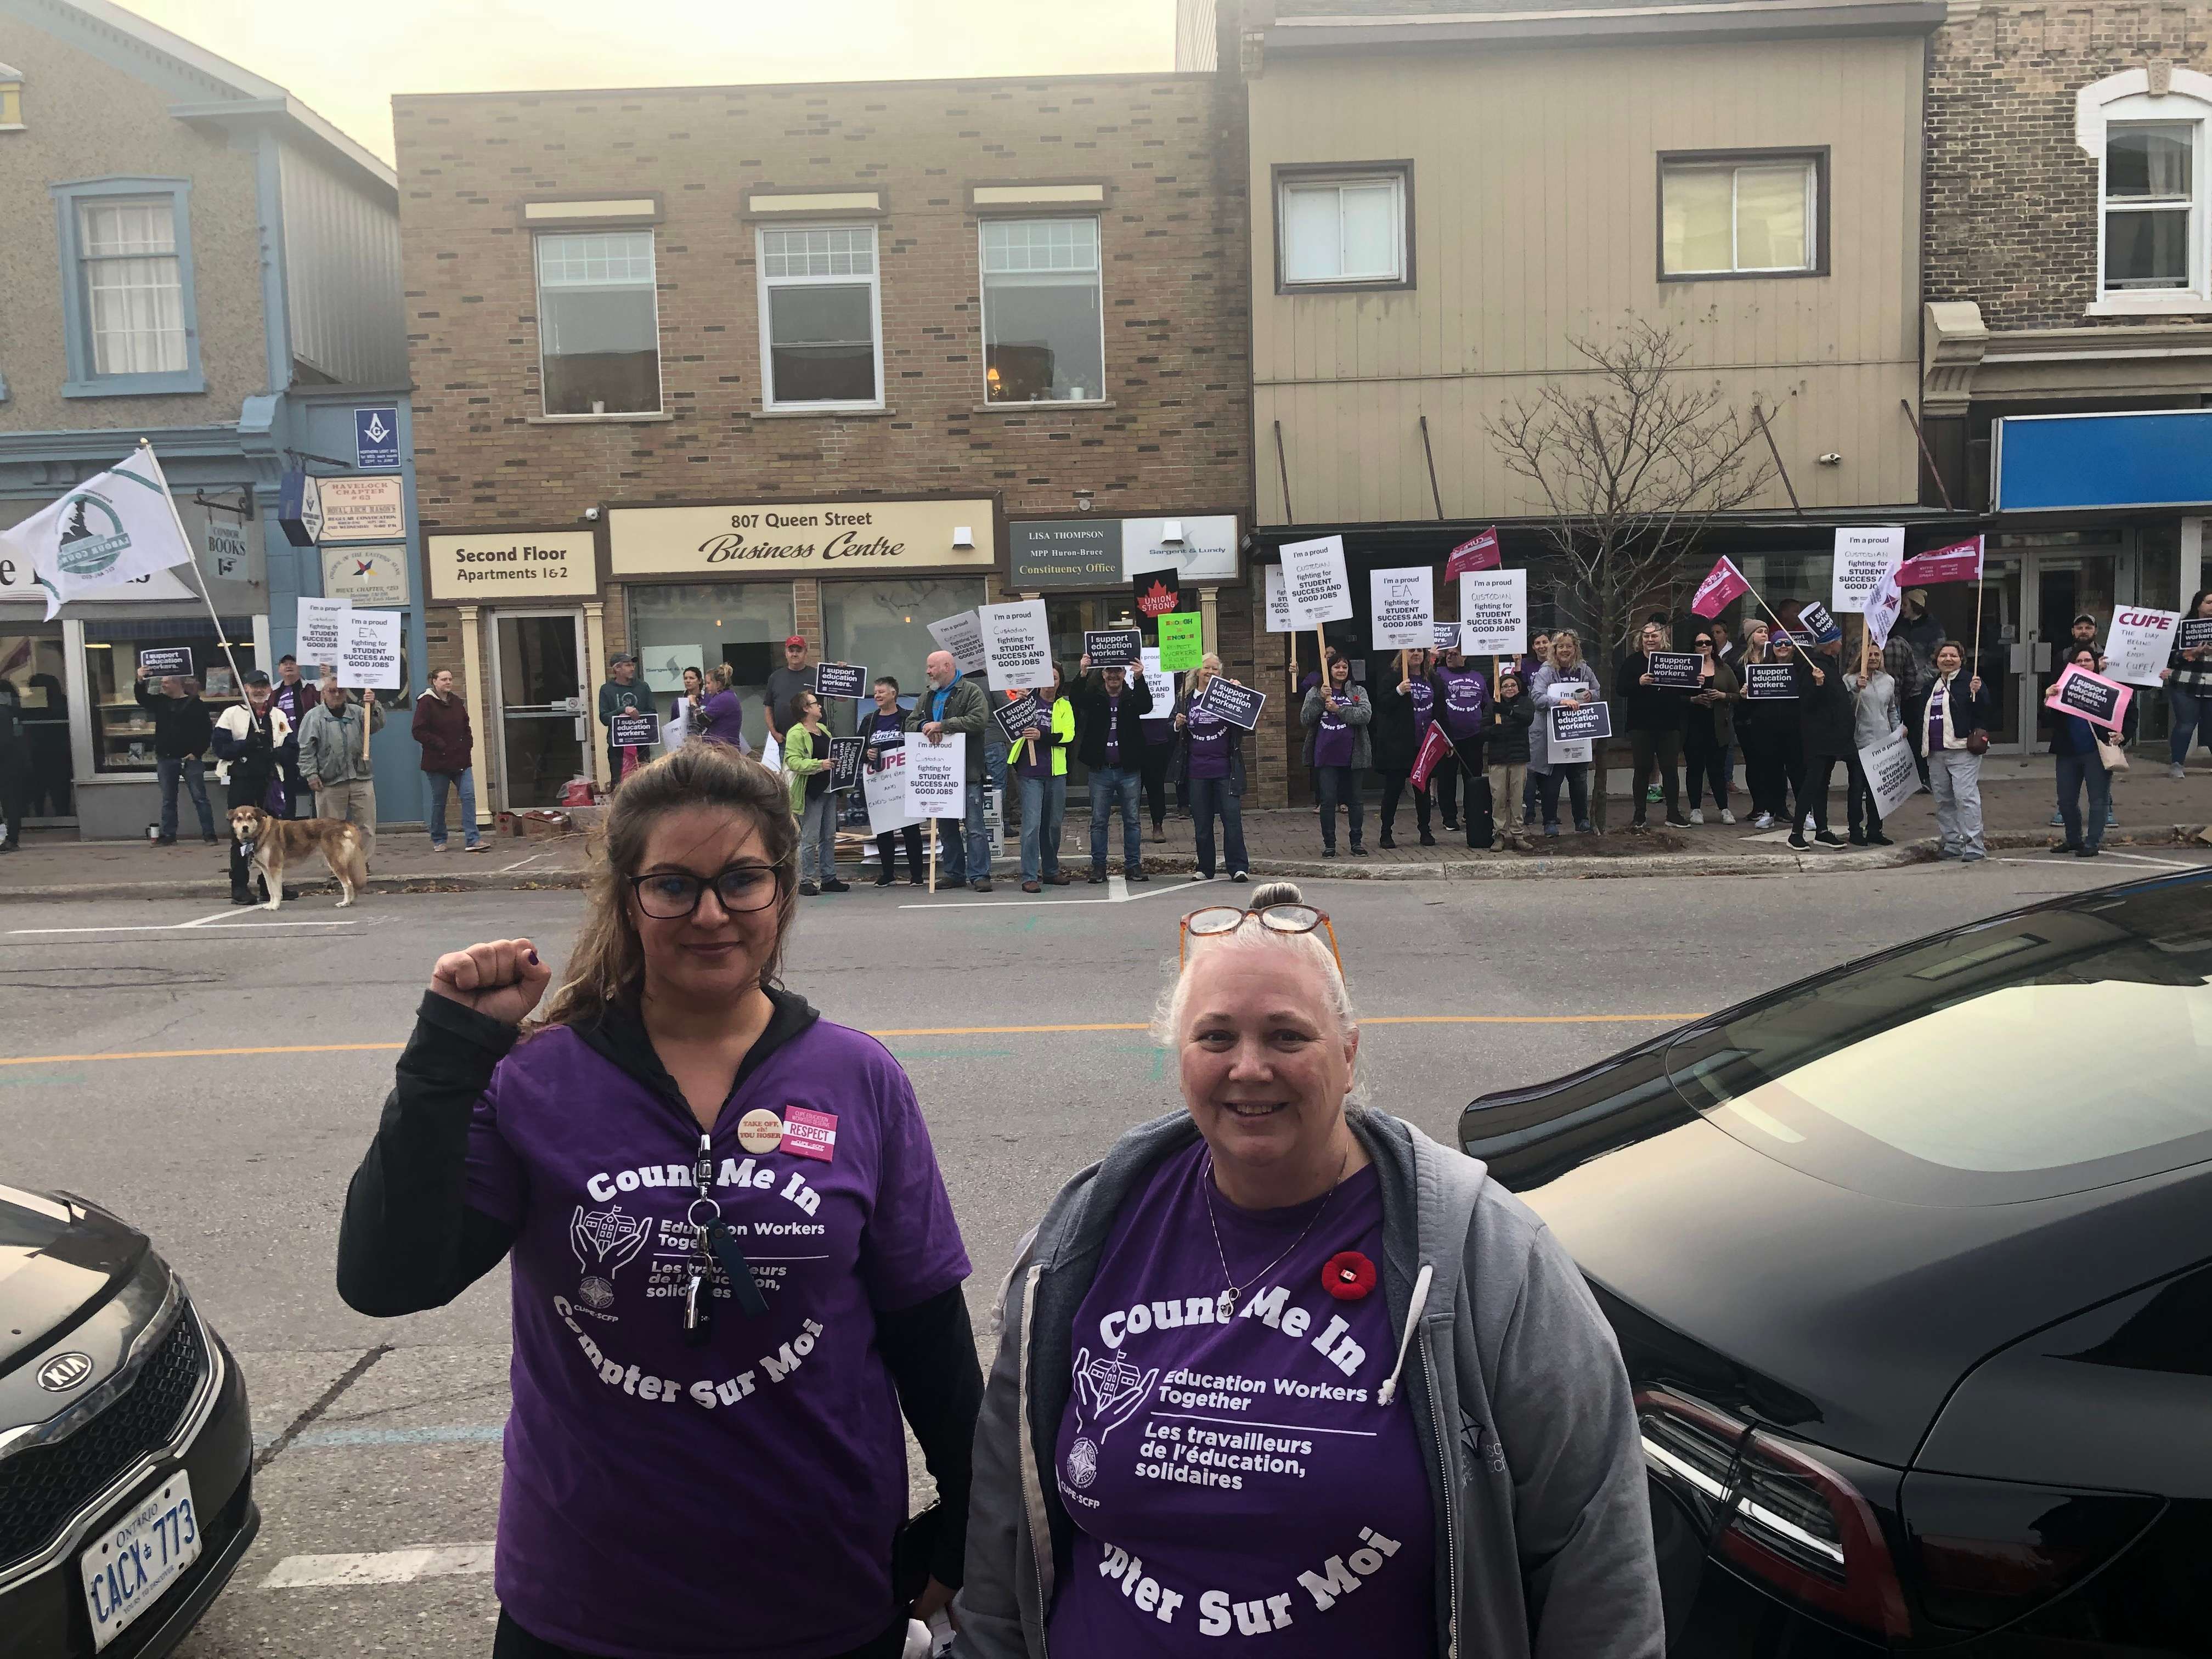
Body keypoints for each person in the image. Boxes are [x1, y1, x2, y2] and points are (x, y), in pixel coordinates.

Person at [335, 743, 981, 1659]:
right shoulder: (539, 1079)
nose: (711, 912)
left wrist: (968, 1519)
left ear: (782, 889)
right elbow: (387, 1279)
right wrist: (446, 1056)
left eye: (741, 880)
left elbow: (927, 1330)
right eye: (674, 884)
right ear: (628, 898)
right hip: (587, 1601)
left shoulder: (856, 1076)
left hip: (819, 1593)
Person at [955, 883, 1664, 1659]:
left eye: (1288, 1037)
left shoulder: (1490, 1260)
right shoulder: (1087, 1234)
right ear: (1179, 1054)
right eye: (1216, 1037)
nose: (1249, 1068)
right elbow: (1003, 1537)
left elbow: (1598, 1566)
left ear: (1350, 1053)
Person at [908, 650, 993, 891]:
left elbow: (978, 720)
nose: (928, 671)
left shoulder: (971, 691)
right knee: (946, 828)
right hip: (939, 773)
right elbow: (910, 723)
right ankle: (955, 873)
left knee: (975, 826)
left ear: (947, 666)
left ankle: (980, 875)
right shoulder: (927, 696)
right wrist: (925, 725)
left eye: (931, 667)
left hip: (968, 771)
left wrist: (943, 726)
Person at [211, 672, 293, 905]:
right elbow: (220, 748)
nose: (259, 691)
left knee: (275, 836)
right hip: (242, 782)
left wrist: (274, 753)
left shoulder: (278, 715)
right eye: (254, 686)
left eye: (263, 686)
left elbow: (291, 749)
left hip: (270, 782)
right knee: (242, 836)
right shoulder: (231, 715)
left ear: (269, 688)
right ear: (246, 688)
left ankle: (271, 885)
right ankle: (239, 886)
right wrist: (247, 745)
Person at [1071, 654, 1155, 883]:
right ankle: (1099, 868)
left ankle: (1133, 866)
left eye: (1119, 671)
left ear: (1124, 674)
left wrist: (1140, 677)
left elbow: (1147, 705)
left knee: (1133, 821)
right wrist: (1082, 673)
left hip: (1128, 770)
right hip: (1101, 771)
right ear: (1104, 674)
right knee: (1099, 821)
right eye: (1110, 671)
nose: (1114, 675)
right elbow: (1076, 699)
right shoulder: (1095, 697)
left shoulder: (1131, 697)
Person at [2050, 644, 2134, 859]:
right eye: (2079, 661)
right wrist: (2048, 699)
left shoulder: (2110, 687)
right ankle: (2074, 839)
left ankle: (2092, 842)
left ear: (2096, 664)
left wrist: (2123, 735)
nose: (2083, 664)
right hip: (2068, 752)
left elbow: (2131, 714)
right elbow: (2049, 720)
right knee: (2066, 801)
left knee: (2098, 800)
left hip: (2097, 752)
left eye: (2087, 661)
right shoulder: (2063, 686)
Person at [1174, 653, 1248, 882]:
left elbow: (1247, 723)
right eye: (1207, 668)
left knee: (1232, 820)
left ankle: (1237, 867)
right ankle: (1205, 867)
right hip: (1197, 770)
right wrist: (1177, 724)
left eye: (1216, 669)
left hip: (1225, 769)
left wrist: (1240, 695)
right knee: (1202, 823)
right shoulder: (1186, 699)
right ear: (1197, 671)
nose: (1211, 672)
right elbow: (1172, 727)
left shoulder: (1228, 696)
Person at [1914, 640, 1989, 862]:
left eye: (1953, 655)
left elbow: (1985, 710)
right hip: (1935, 751)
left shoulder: (1971, 681)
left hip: (1962, 750)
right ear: (1936, 660)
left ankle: (1975, 845)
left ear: (1961, 659)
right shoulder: (1931, 685)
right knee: (1944, 800)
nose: (1948, 659)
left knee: (1966, 798)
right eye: (1943, 655)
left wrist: (1980, 692)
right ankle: (1952, 843)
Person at [135, 665, 217, 845]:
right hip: (166, 758)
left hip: (190, 759)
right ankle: (169, 835)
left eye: (166, 683)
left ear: (177, 683)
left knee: (200, 797)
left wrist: (197, 752)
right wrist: (140, 680)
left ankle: (209, 833)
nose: (163, 686)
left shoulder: (196, 704)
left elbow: (206, 731)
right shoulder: (160, 702)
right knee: (168, 799)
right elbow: (142, 699)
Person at [1529, 631, 1601, 836]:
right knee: (1552, 781)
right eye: (1561, 646)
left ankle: (1582, 820)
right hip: (1552, 737)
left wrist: (1591, 695)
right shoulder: (1546, 672)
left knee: (1579, 780)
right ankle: (1550, 822)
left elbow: (1598, 691)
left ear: (1576, 649)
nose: (1565, 650)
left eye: (1569, 646)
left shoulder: (1585, 670)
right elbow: (1537, 698)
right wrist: (1560, 701)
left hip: (1578, 734)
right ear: (1554, 650)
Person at [1302, 653, 1372, 857]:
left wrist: (1339, 709)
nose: (1341, 671)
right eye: (1336, 667)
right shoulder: (1317, 692)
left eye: (1344, 667)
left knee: (1356, 800)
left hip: (1353, 755)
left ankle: (1356, 842)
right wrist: (1319, 699)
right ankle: (1329, 844)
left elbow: (1365, 715)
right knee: (1328, 800)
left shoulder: (1358, 691)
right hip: (1326, 756)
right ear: (1329, 670)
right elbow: (1305, 718)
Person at [1619, 622, 1687, 830]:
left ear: (1663, 639)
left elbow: (1687, 690)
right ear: (1641, 640)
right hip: (1641, 724)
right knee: (1642, 769)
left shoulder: (1674, 661)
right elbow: (1621, 689)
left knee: (1670, 769)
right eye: (1646, 636)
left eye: (1654, 636)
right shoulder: (1632, 662)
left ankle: (1673, 813)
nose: (1650, 640)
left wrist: (1697, 681)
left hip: (1669, 724)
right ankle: (1639, 815)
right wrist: (1638, 683)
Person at [1013, 663, 1074, 893]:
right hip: (1030, 773)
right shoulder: (1026, 701)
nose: (1051, 683)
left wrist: (1042, 736)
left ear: (1060, 682)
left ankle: (1050, 870)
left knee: (1053, 825)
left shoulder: (1064, 705)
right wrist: (1018, 704)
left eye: (1056, 678)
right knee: (1032, 825)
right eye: (1047, 678)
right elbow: (1010, 727)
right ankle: (1029, 875)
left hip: (1056, 773)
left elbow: (1068, 736)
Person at [1788, 634, 1853, 850]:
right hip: (1818, 736)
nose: (1842, 644)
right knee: (1812, 783)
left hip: (1832, 736)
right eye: (1839, 640)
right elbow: (1807, 703)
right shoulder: (1812, 667)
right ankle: (1796, 832)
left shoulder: (1830, 665)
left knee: (1823, 783)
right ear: (1830, 644)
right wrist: (1817, 684)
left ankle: (1822, 830)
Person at [861, 676, 927, 888]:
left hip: (904, 780)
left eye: (882, 692)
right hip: (878, 781)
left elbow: (919, 744)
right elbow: (858, 748)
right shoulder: (869, 720)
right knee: (884, 829)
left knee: (911, 829)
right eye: (876, 692)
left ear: (894, 694)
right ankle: (887, 874)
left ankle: (917, 875)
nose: (877, 696)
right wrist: (866, 754)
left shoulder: (907, 718)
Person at [298, 680, 384, 836]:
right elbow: (306, 750)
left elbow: (377, 726)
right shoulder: (313, 717)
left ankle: (362, 861)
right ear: (323, 693)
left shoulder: (358, 712)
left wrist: (373, 706)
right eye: (332, 691)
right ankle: (333, 861)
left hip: (361, 778)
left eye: (341, 690)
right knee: (330, 830)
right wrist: (311, 774)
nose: (337, 694)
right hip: (330, 781)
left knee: (366, 828)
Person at [782, 690, 846, 896]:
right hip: (811, 791)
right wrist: (820, 764)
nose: (820, 706)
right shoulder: (796, 733)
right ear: (806, 709)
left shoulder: (823, 730)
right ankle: (805, 879)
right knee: (809, 837)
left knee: (828, 835)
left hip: (828, 789)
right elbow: (793, 761)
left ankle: (829, 877)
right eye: (815, 703)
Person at [1373, 648, 1439, 849]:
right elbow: (1382, 705)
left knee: (1422, 789)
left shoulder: (1432, 679)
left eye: (1420, 651)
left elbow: (1441, 708)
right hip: (1398, 744)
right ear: (1403, 654)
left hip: (1424, 743)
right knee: (1393, 790)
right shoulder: (1393, 678)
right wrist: (1398, 691)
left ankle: (1425, 831)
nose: (1416, 654)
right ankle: (1386, 832)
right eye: (1412, 651)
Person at [414, 669, 483, 853]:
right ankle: (439, 838)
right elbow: (418, 731)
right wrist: (439, 744)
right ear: (434, 682)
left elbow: (465, 725)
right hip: (438, 762)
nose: (448, 682)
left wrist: (468, 743)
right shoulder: (426, 703)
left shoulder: (457, 702)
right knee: (440, 801)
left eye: (450, 679)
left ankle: (473, 839)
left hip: (461, 759)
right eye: (444, 679)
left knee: (468, 797)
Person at [1680, 629, 1737, 826]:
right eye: (1699, 643)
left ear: (1713, 646)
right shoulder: (1687, 668)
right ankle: (1695, 809)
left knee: (1717, 770)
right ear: (1693, 648)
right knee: (1694, 769)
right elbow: (1675, 697)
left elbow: (1737, 695)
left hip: (1717, 726)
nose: (1704, 646)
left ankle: (1724, 809)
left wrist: (1722, 696)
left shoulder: (1724, 668)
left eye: (1708, 642)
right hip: (1694, 725)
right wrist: (1693, 699)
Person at [1844, 643, 1899, 847]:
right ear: (1862, 657)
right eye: (1870, 654)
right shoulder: (1849, 680)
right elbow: (1846, 710)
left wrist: (1896, 732)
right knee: (1857, 788)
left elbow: (1892, 709)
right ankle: (1855, 829)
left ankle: (1875, 829)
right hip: (1860, 741)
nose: (1874, 658)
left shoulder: (1889, 681)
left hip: (1883, 741)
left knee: (1879, 790)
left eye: (1878, 654)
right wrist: (1856, 688)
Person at [1430, 647, 1488, 836]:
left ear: (1465, 655)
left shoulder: (1478, 676)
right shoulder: (1439, 674)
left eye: (1454, 654)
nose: (1450, 657)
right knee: (1447, 778)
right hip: (1448, 736)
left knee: (1473, 776)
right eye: (1448, 654)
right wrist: (1432, 658)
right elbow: (1424, 680)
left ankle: (1472, 813)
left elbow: (1486, 703)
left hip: (1473, 735)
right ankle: (1449, 817)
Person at [2161, 587, 2212, 777]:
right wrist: (2191, 653)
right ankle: (2177, 764)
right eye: (2209, 602)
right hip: (2185, 683)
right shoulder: (2183, 628)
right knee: (2185, 724)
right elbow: (2169, 657)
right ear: (2198, 605)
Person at [1485, 667, 1534, 849]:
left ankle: (1518, 834)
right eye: (1505, 686)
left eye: (1513, 685)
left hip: (1518, 757)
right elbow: (1482, 730)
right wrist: (1492, 731)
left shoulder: (1525, 703)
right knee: (1499, 797)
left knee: (1517, 797)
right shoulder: (1492, 706)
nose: (1510, 688)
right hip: (1498, 758)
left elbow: (1527, 719)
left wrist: (1508, 711)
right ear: (1500, 689)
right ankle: (1499, 833)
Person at [273, 654, 321, 816]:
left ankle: (316, 826)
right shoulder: (274, 693)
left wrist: (326, 676)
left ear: (299, 667)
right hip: (286, 748)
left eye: (293, 663)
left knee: (315, 785)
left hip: (310, 746)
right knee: (287, 789)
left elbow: (326, 700)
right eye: (284, 663)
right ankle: (289, 828)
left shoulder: (311, 688)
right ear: (279, 669)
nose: (289, 666)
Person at [597, 652, 651, 785]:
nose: (632, 668)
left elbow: (652, 714)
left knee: (644, 784)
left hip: (641, 744)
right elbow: (604, 718)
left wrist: (637, 714)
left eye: (633, 665)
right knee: (619, 784)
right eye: (628, 665)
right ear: (617, 669)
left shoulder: (643, 687)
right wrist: (622, 710)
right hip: (617, 747)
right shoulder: (606, 689)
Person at [1139, 676, 1181, 843]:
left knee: (1156, 787)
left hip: (1158, 738)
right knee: (1131, 790)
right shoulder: (1128, 669)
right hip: (1133, 741)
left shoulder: (1166, 669)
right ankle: (1133, 828)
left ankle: (1158, 825)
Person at [764, 635, 813, 755]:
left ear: (806, 652)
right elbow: (768, 707)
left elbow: (841, 698)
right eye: (791, 651)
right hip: (785, 742)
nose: (795, 654)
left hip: (813, 740)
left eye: (799, 651)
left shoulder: (816, 675)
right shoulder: (775, 678)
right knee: (787, 775)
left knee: (815, 773)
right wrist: (774, 733)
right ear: (785, 653)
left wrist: (843, 672)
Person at [0, 678, 31, 853]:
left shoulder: (3, 712)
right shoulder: (15, 710)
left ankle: (9, 838)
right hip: (16, 761)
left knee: (8, 802)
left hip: (5, 762)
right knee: (11, 801)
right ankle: (11, 837)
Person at [693, 662, 747, 751]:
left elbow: (702, 720)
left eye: (709, 683)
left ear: (718, 684)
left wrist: (694, 704)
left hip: (722, 749)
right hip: (724, 747)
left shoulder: (722, 699)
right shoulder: (726, 696)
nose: (706, 686)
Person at [666, 664, 705, 749]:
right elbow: (673, 725)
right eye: (685, 678)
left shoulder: (708, 699)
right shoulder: (678, 702)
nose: (688, 681)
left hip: (706, 742)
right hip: (685, 744)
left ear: (699, 681)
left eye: (691, 678)